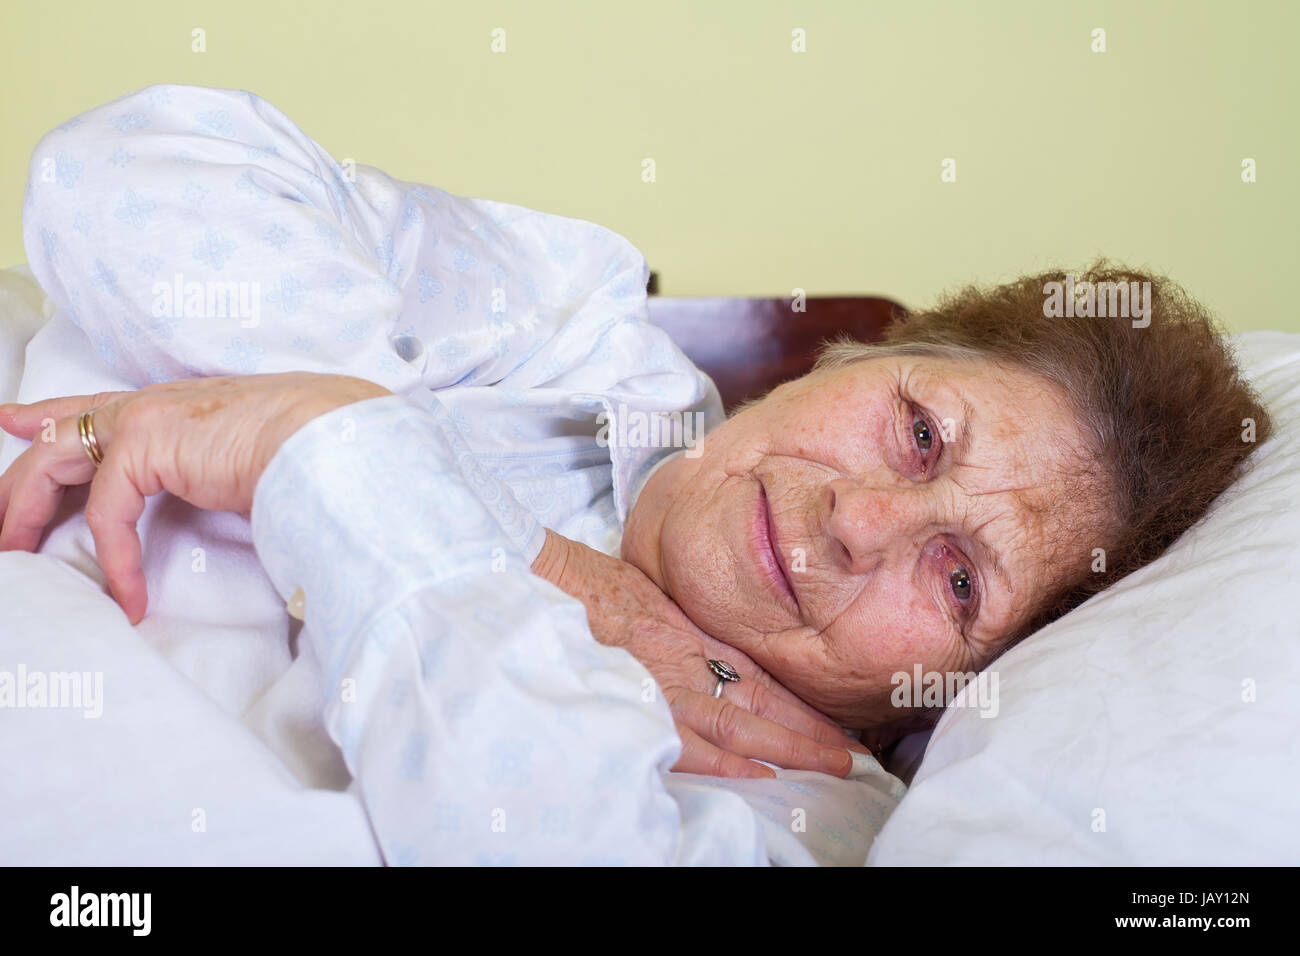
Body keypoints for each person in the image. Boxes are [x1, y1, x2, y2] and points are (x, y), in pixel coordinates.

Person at [0, 85, 1270, 864]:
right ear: (852, 354)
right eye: (921, 433)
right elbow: (124, 169)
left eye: (956, 581)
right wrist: (532, 555)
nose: (860, 520)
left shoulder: (806, 801)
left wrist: (326, 446)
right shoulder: (579, 337)